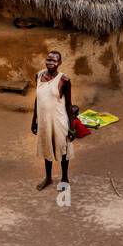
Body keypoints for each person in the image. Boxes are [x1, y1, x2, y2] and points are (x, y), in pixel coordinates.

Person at [30, 50, 73, 192]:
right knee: (46, 147)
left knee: (62, 148)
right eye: (48, 60)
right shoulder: (38, 76)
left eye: (54, 61)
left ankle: (65, 178)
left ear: (59, 63)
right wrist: (34, 120)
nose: (51, 63)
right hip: (44, 121)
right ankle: (48, 178)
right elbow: (38, 99)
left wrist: (71, 127)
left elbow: (68, 105)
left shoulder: (64, 80)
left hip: (59, 120)